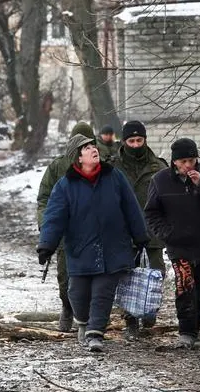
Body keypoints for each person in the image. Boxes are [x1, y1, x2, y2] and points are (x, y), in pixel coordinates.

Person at [38, 133, 150, 352]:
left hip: (113, 247)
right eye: (86, 148)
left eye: (93, 146)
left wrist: (140, 236)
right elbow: (54, 217)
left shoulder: (114, 177)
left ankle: (95, 333)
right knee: (77, 293)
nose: (93, 149)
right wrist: (46, 245)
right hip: (80, 249)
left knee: (102, 292)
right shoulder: (65, 185)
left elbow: (131, 207)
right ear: (78, 157)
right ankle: (82, 322)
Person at [144, 138, 200, 349]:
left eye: (191, 160)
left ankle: (195, 329)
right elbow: (152, 212)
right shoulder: (160, 180)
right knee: (185, 287)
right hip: (179, 245)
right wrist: (166, 233)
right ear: (174, 161)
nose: (188, 166)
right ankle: (186, 332)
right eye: (183, 161)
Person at [36, 121, 95, 332]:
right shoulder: (58, 167)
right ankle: (67, 307)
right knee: (65, 277)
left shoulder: (100, 166)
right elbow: (44, 199)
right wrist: (46, 226)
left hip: (93, 232)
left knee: (94, 277)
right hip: (65, 233)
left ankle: (90, 317)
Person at [115, 120, 167, 340]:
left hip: (152, 230)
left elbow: (168, 199)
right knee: (127, 276)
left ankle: (150, 309)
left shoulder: (158, 167)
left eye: (139, 140)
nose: (136, 145)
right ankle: (130, 320)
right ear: (124, 141)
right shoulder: (113, 167)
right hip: (123, 231)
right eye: (131, 141)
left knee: (156, 272)